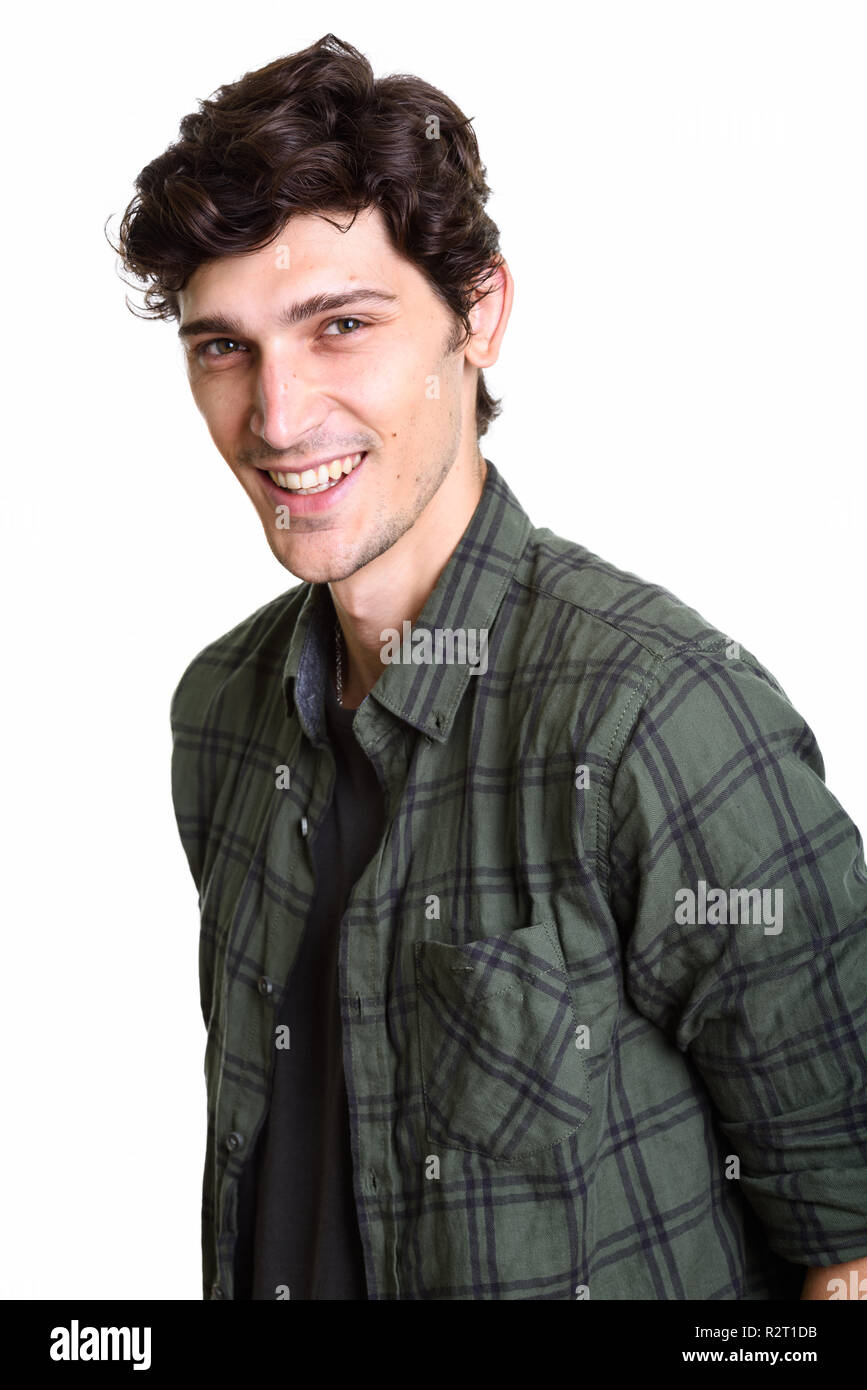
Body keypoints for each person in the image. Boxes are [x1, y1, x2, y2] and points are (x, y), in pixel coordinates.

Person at [114, 33, 867, 1301]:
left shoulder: (660, 717)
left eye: (340, 325)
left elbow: (850, 1245)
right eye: (223, 347)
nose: (280, 417)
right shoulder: (222, 716)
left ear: (480, 315)